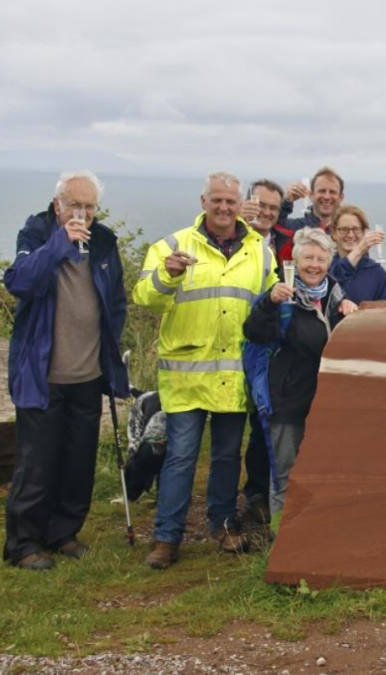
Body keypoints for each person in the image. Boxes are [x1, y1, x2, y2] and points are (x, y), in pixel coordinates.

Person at [133, 171, 278, 570]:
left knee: (228, 457)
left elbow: (269, 306)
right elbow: (144, 296)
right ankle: (167, 537)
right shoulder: (172, 245)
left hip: (234, 376)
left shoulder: (261, 251)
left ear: (239, 203)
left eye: (230, 201)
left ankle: (222, 525)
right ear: (203, 201)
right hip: (186, 375)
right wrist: (168, 274)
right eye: (216, 200)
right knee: (180, 456)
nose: (223, 207)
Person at [2, 170, 129, 570]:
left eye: (90, 206)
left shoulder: (105, 240)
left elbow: (117, 301)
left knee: (78, 462)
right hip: (43, 374)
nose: (83, 214)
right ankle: (23, 543)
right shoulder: (37, 233)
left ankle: (63, 533)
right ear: (58, 205)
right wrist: (60, 243)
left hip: (88, 373)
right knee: (38, 462)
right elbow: (19, 281)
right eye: (75, 205)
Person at [242, 228, 357, 513]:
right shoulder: (280, 295)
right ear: (293, 260)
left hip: (327, 405)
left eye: (320, 259)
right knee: (285, 476)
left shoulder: (336, 297)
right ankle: (281, 542)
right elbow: (253, 332)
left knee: (321, 473)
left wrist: (353, 312)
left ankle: (313, 538)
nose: (314, 265)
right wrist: (269, 303)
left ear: (329, 263)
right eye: (308, 257)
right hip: (287, 403)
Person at [239, 179, 293, 527]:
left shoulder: (285, 240)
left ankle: (259, 496)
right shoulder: (234, 236)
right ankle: (243, 501)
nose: (268, 213)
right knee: (236, 430)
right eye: (262, 206)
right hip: (235, 342)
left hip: (270, 346)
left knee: (264, 427)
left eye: (275, 207)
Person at [328, 204, 386, 303]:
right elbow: (331, 284)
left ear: (364, 233)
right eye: (344, 229)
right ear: (334, 233)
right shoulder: (324, 266)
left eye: (356, 229)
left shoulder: (377, 273)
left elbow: (381, 313)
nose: (351, 235)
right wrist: (359, 250)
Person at [278, 167, 345, 232]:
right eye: (322, 191)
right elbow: (272, 224)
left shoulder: (348, 232)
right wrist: (287, 202)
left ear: (341, 197)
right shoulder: (295, 228)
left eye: (332, 192)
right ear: (311, 195)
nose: (326, 197)